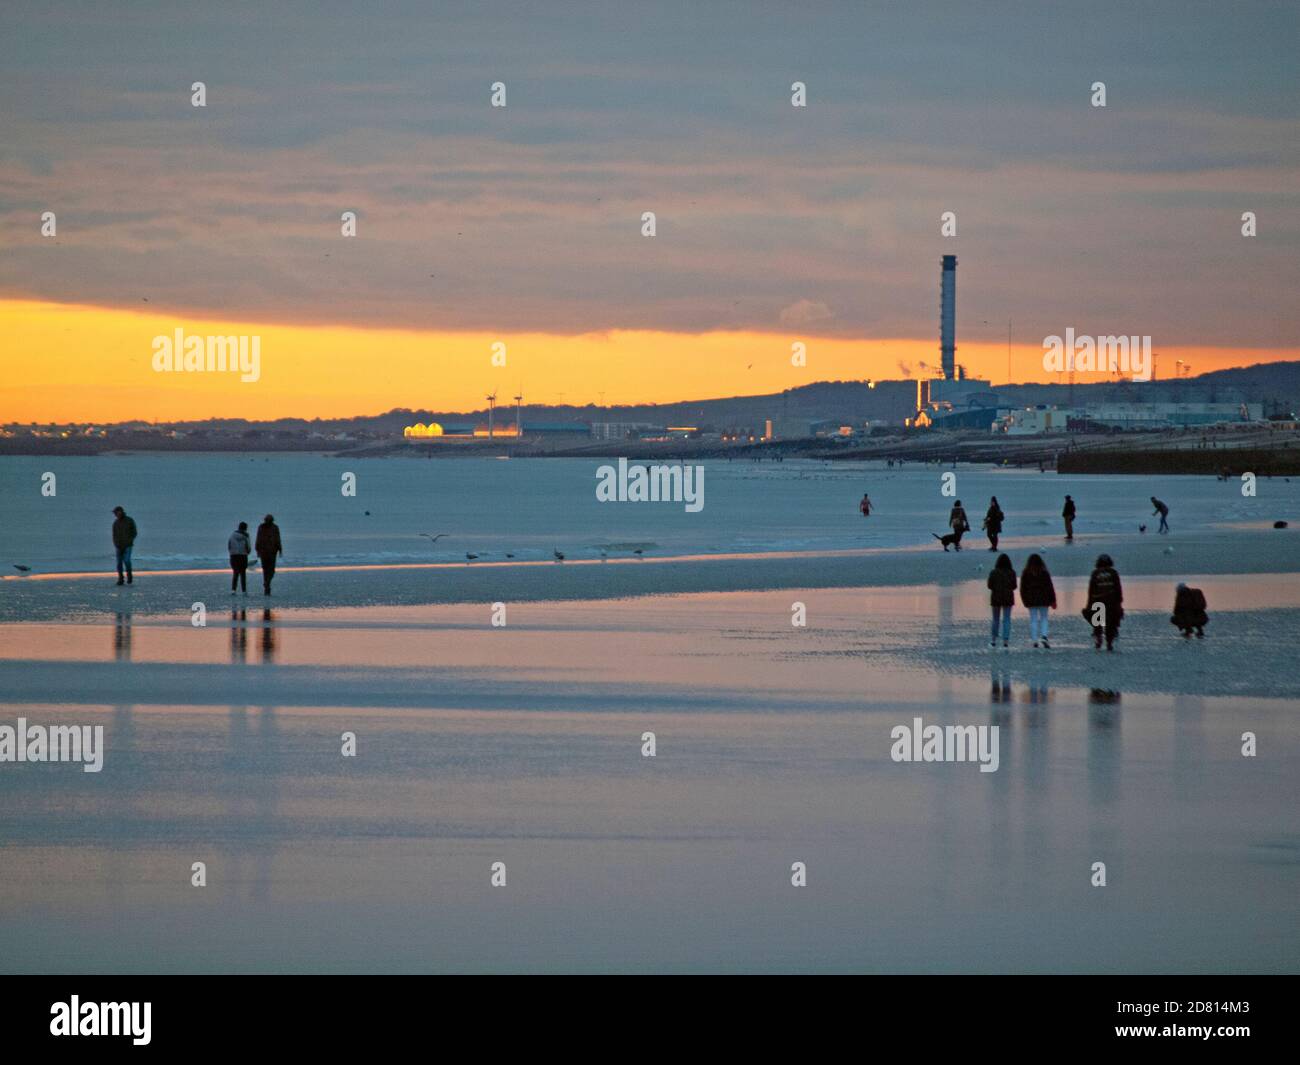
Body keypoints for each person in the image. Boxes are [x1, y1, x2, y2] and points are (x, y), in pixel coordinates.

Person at [1084, 553, 1124, 651]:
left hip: (1097, 600)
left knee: (1098, 622)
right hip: (1112, 601)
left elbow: (1091, 589)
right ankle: (1109, 643)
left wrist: (1089, 604)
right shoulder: (1114, 573)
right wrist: (1119, 601)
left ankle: (1098, 640)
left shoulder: (1095, 573)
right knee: (1111, 624)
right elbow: (1118, 588)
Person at [1019, 553, 1057, 648]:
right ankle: (1044, 636)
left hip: (1031, 600)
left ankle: (1034, 640)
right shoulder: (1044, 572)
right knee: (1044, 618)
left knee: (1033, 619)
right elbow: (1050, 587)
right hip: (1044, 599)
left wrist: (1024, 600)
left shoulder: (1026, 573)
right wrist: (1053, 600)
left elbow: (1022, 589)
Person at [987, 553, 1017, 648]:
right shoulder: (1012, 572)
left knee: (995, 619)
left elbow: (989, 585)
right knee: (1007, 619)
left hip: (996, 597)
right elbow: (1014, 586)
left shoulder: (993, 572)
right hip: (1008, 597)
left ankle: (993, 641)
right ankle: (1005, 641)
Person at [255, 514, 283, 596]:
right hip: (270, 552)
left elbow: (258, 539)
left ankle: (266, 583)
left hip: (268, 552)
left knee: (266, 570)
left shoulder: (264, 527)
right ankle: (267, 584)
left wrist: (257, 550)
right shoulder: (273, 527)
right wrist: (280, 549)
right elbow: (278, 539)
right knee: (270, 570)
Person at [111, 505, 137, 586]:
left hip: (128, 545)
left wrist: (130, 541)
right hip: (118, 546)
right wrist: (116, 544)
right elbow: (114, 535)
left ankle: (129, 576)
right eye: (115, 513)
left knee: (126, 561)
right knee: (119, 563)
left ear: (121, 512)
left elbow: (134, 532)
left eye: (116, 512)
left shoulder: (129, 520)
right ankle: (120, 579)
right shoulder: (115, 523)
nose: (115, 514)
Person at [228, 521, 251, 595]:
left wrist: (232, 552)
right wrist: (247, 552)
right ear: (245, 528)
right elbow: (248, 547)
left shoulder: (232, 535)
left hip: (234, 556)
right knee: (243, 574)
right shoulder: (246, 536)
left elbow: (229, 546)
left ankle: (233, 590)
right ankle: (244, 590)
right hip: (243, 556)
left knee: (235, 573)